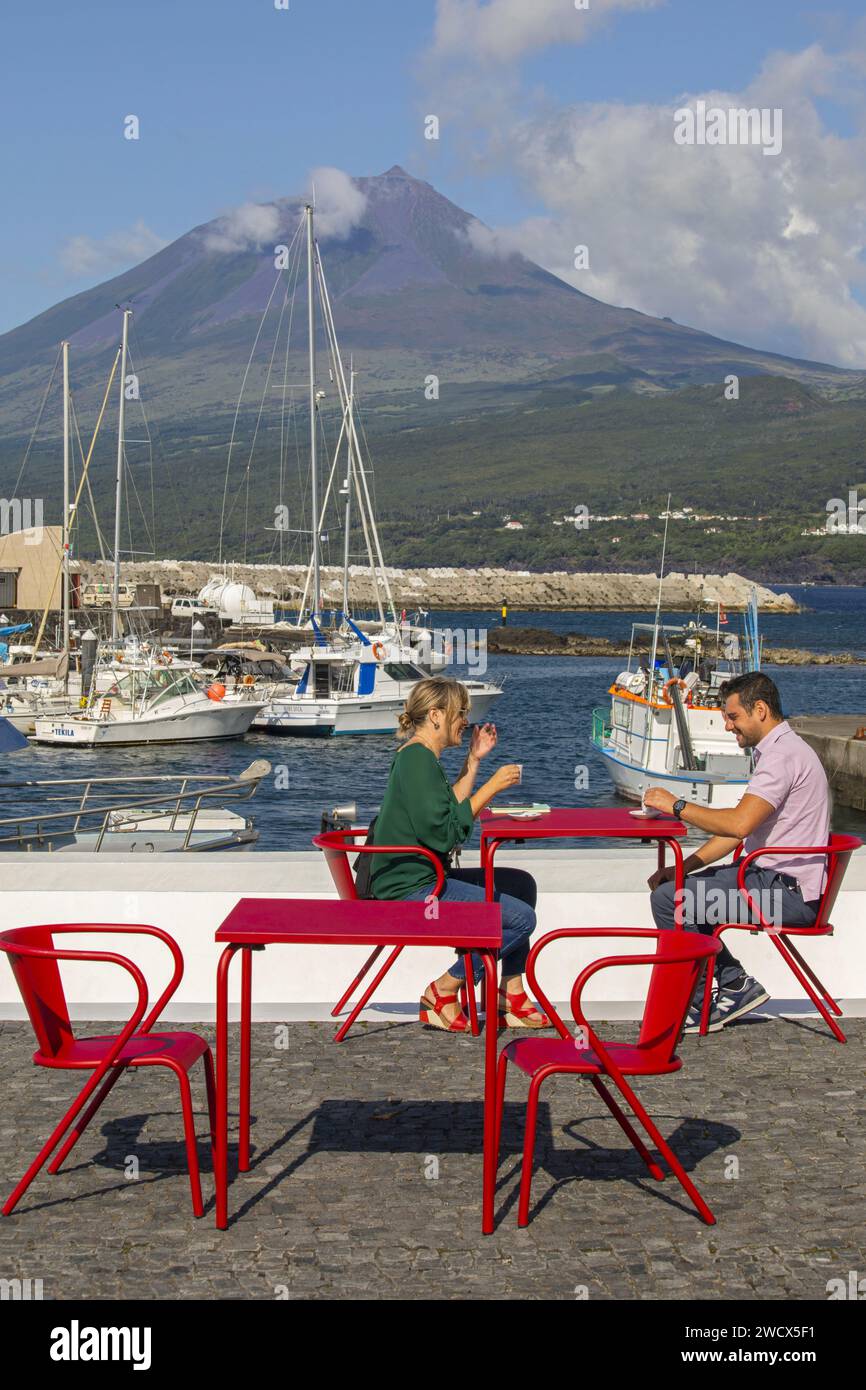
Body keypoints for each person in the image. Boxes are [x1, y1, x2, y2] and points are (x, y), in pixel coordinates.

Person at [644, 671, 830, 1033]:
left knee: (671, 901)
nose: (728, 726)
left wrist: (675, 805)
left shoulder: (780, 757)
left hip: (783, 895)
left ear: (759, 709)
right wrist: (684, 866)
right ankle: (733, 983)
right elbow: (738, 831)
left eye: (733, 717)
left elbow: (739, 825)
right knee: (677, 890)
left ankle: (699, 1003)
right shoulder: (782, 751)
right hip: (769, 881)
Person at [370, 676, 548, 1032]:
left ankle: (509, 994)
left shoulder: (421, 757)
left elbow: (451, 807)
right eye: (460, 712)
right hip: (412, 890)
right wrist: (492, 787)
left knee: (519, 884)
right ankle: (445, 988)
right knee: (521, 918)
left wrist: (473, 759)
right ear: (436, 715)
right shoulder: (417, 760)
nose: (466, 720)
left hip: (424, 877)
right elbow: (445, 833)